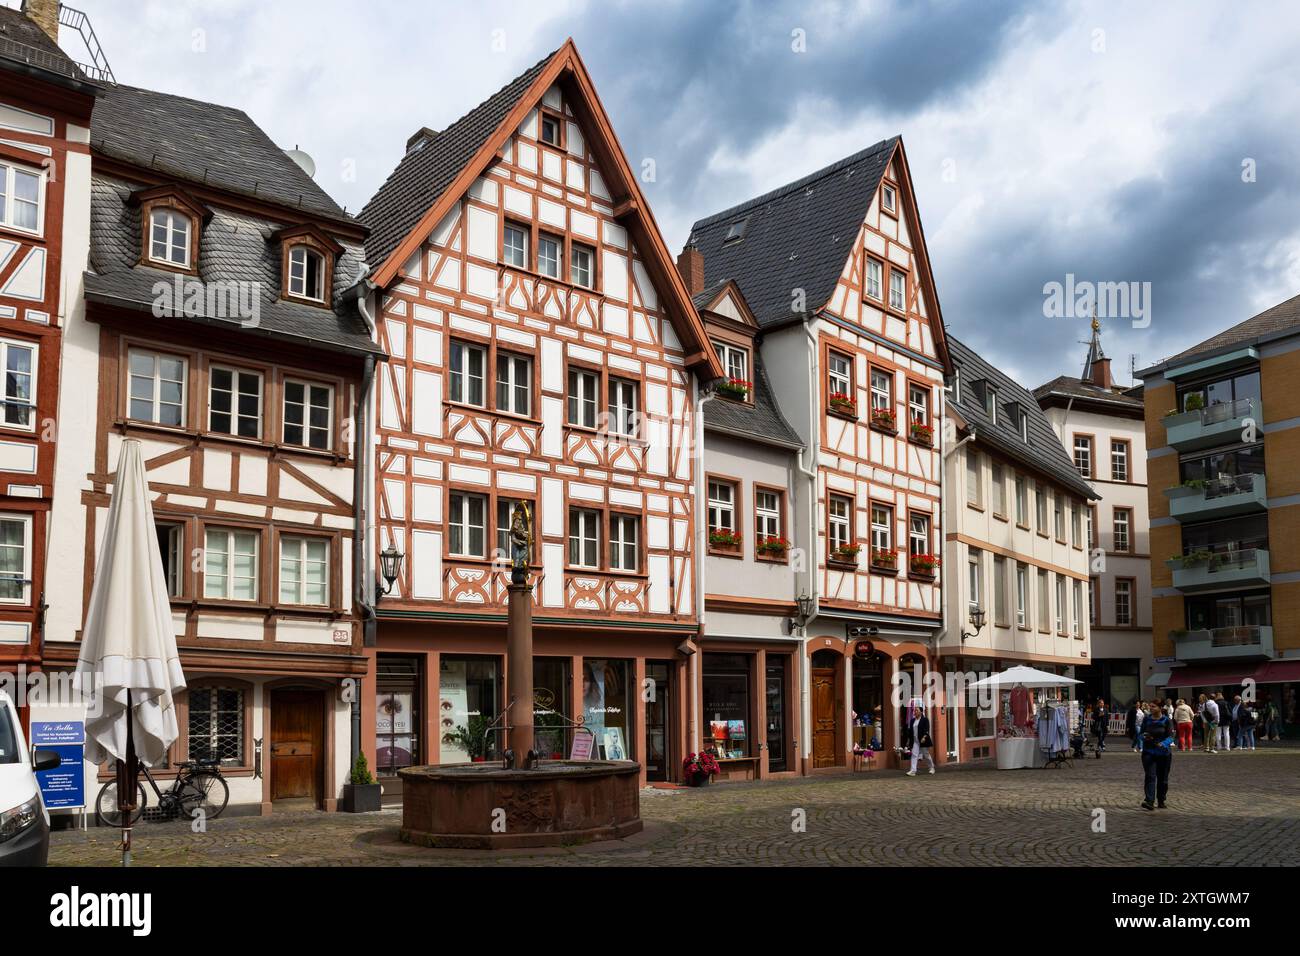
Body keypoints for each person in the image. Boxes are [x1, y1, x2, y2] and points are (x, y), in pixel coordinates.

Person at [1138, 704, 1175, 811]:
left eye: (1153, 706)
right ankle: (1149, 800)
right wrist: (1144, 736)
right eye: (1150, 706)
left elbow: (1171, 736)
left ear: (1159, 708)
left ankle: (1161, 799)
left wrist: (1164, 743)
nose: (1151, 708)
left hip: (1163, 753)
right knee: (1150, 776)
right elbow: (1140, 734)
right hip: (1148, 752)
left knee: (1163, 779)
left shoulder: (1166, 720)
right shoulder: (1147, 719)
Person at [904, 705, 935, 776]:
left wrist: (924, 737)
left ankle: (932, 768)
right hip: (915, 741)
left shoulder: (925, 720)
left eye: (917, 710)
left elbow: (926, 730)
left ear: (921, 712)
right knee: (914, 755)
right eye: (914, 710)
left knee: (926, 755)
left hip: (922, 740)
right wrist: (908, 740)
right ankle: (913, 771)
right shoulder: (912, 721)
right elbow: (910, 732)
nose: (915, 712)